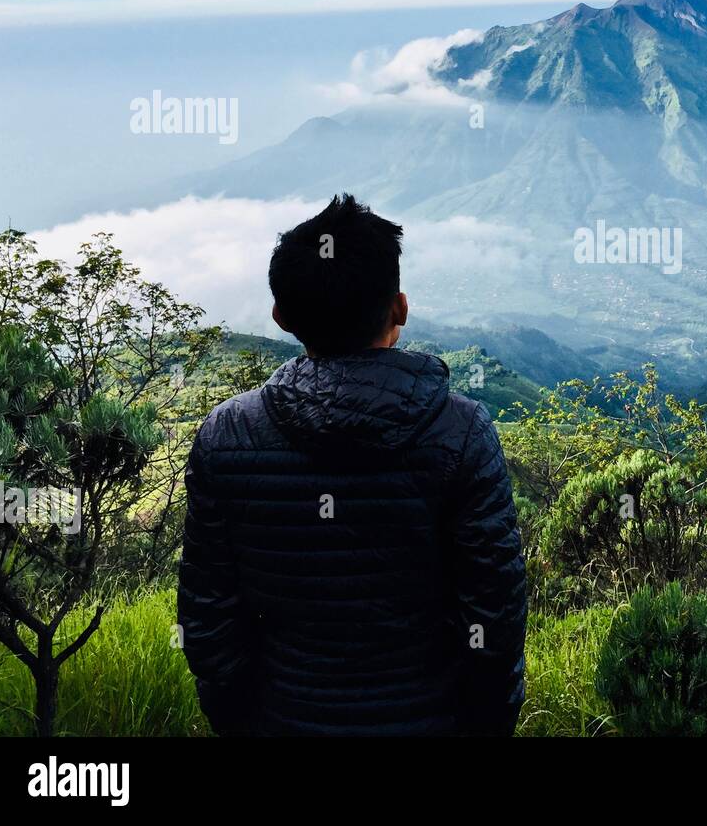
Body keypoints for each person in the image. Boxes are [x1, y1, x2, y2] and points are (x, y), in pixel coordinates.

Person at [177, 194, 526, 735]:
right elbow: (493, 622)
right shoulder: (462, 433)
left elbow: (209, 619)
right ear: (399, 309)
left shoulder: (226, 436)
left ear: (281, 317)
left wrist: (242, 722)